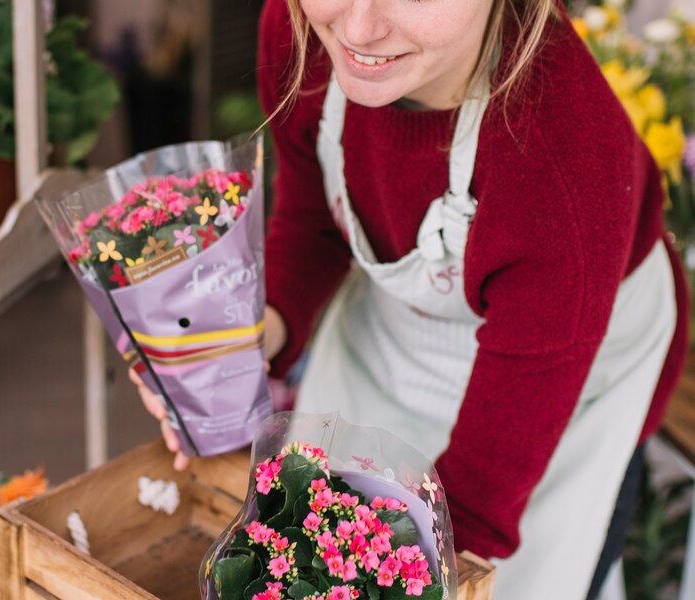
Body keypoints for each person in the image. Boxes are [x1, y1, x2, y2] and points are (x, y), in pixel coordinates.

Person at [132, 0, 689, 597]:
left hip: (566, 370)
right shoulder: (301, 27)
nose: (360, 28)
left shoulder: (562, 157)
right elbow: (316, 212)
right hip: (400, 331)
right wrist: (253, 335)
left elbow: (478, 499)